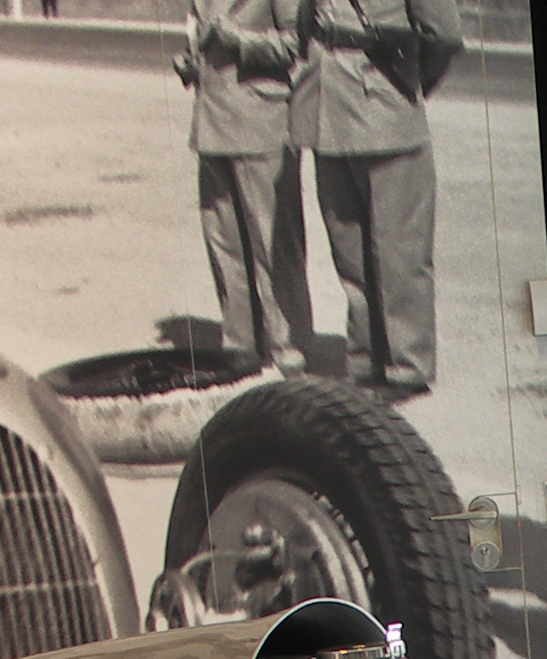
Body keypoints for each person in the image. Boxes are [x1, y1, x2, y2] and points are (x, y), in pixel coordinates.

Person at [290, 0, 461, 399]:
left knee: (400, 249)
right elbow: (304, 26)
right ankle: (365, 358)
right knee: (348, 248)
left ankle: (406, 366)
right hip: (328, 106)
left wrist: (408, 86)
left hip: (386, 105)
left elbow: (444, 33)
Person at [177, 0, 311, 375]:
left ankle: (287, 343)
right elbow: (202, 40)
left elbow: (296, 44)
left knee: (273, 243)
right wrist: (191, 63)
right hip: (212, 122)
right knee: (224, 244)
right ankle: (240, 345)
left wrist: (238, 40)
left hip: (261, 122)